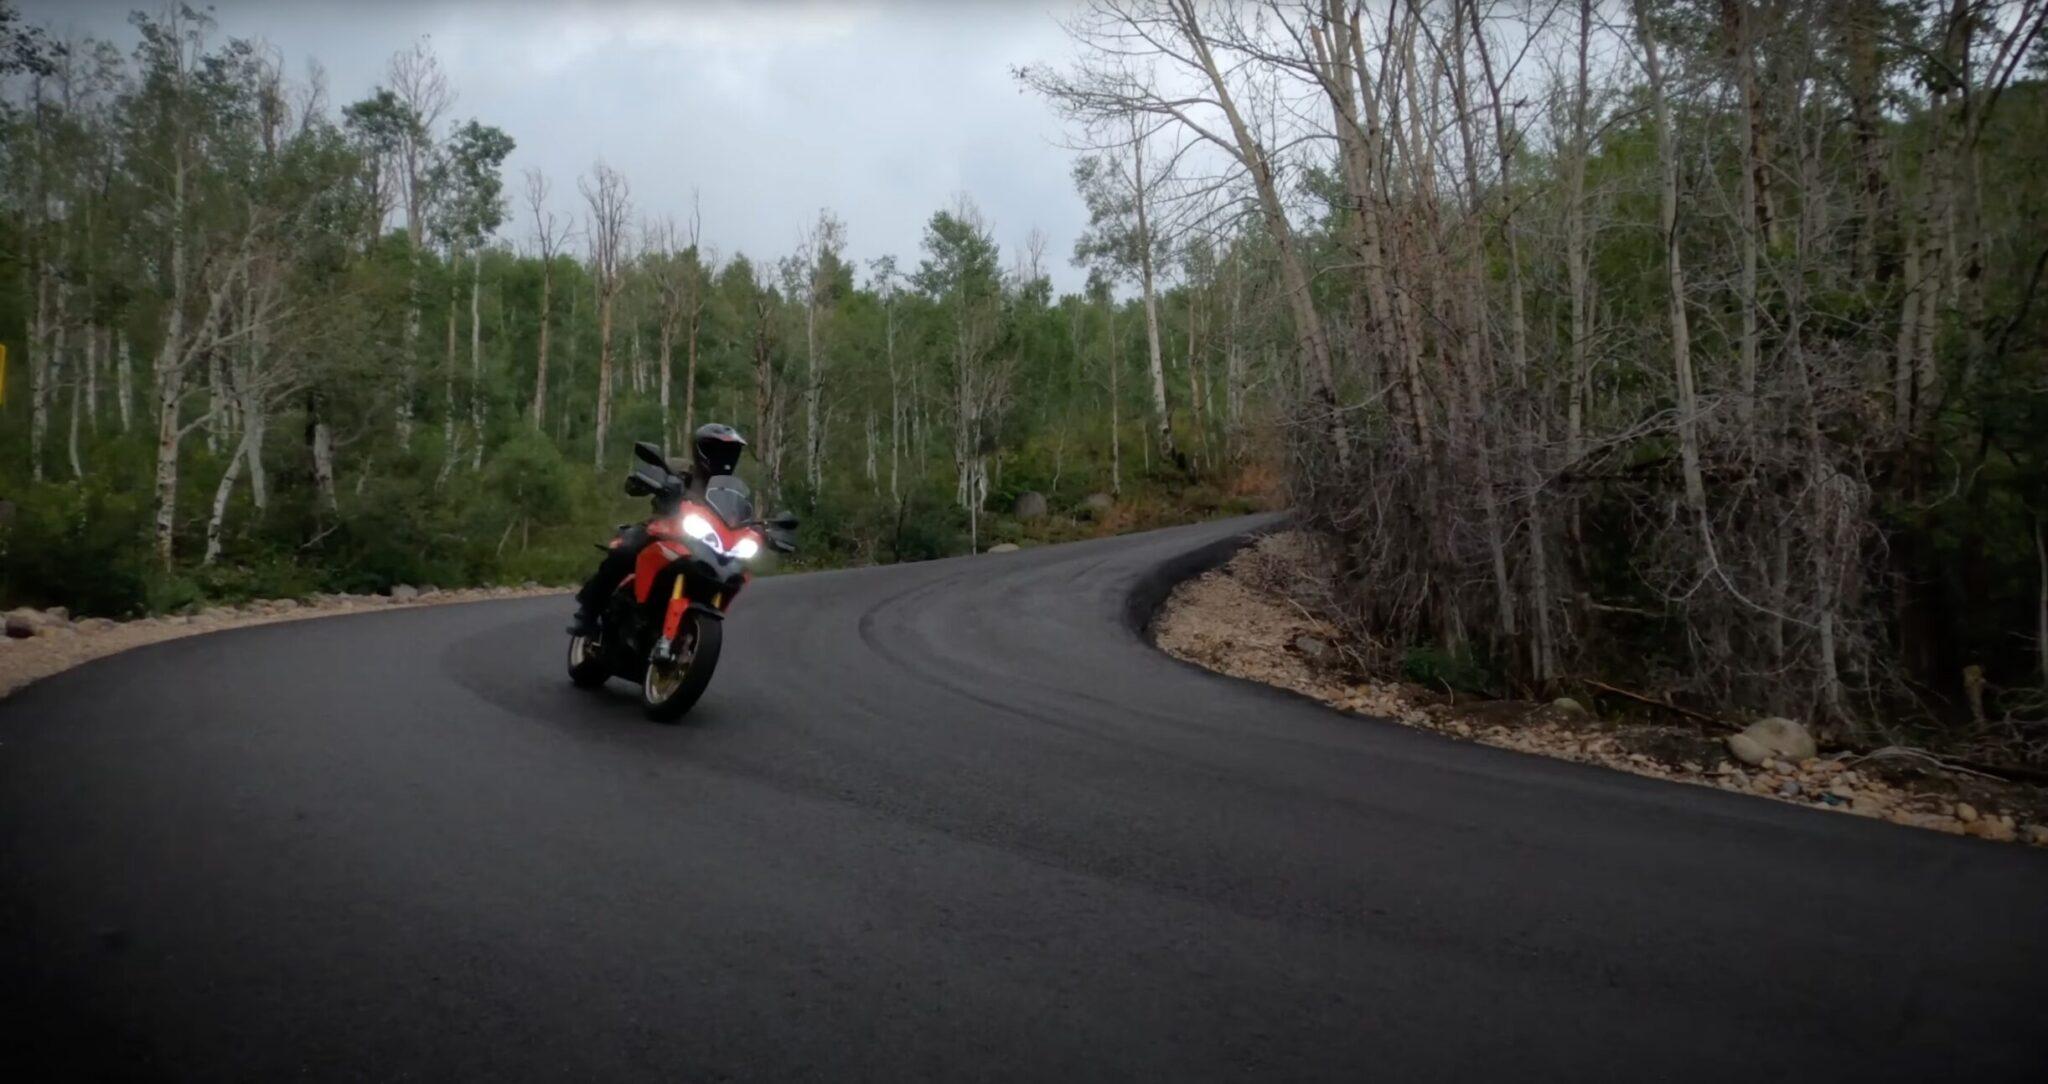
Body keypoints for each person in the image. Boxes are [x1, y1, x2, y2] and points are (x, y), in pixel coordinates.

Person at [569, 423, 748, 636]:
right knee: (626, 550)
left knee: (731, 572)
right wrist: (645, 481)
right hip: (663, 528)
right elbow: (636, 482)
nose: (724, 456)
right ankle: (587, 612)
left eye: (729, 451)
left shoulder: (733, 491)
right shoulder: (679, 467)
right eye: (717, 449)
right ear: (702, 449)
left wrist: (762, 529)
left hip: (705, 543)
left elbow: (742, 516)